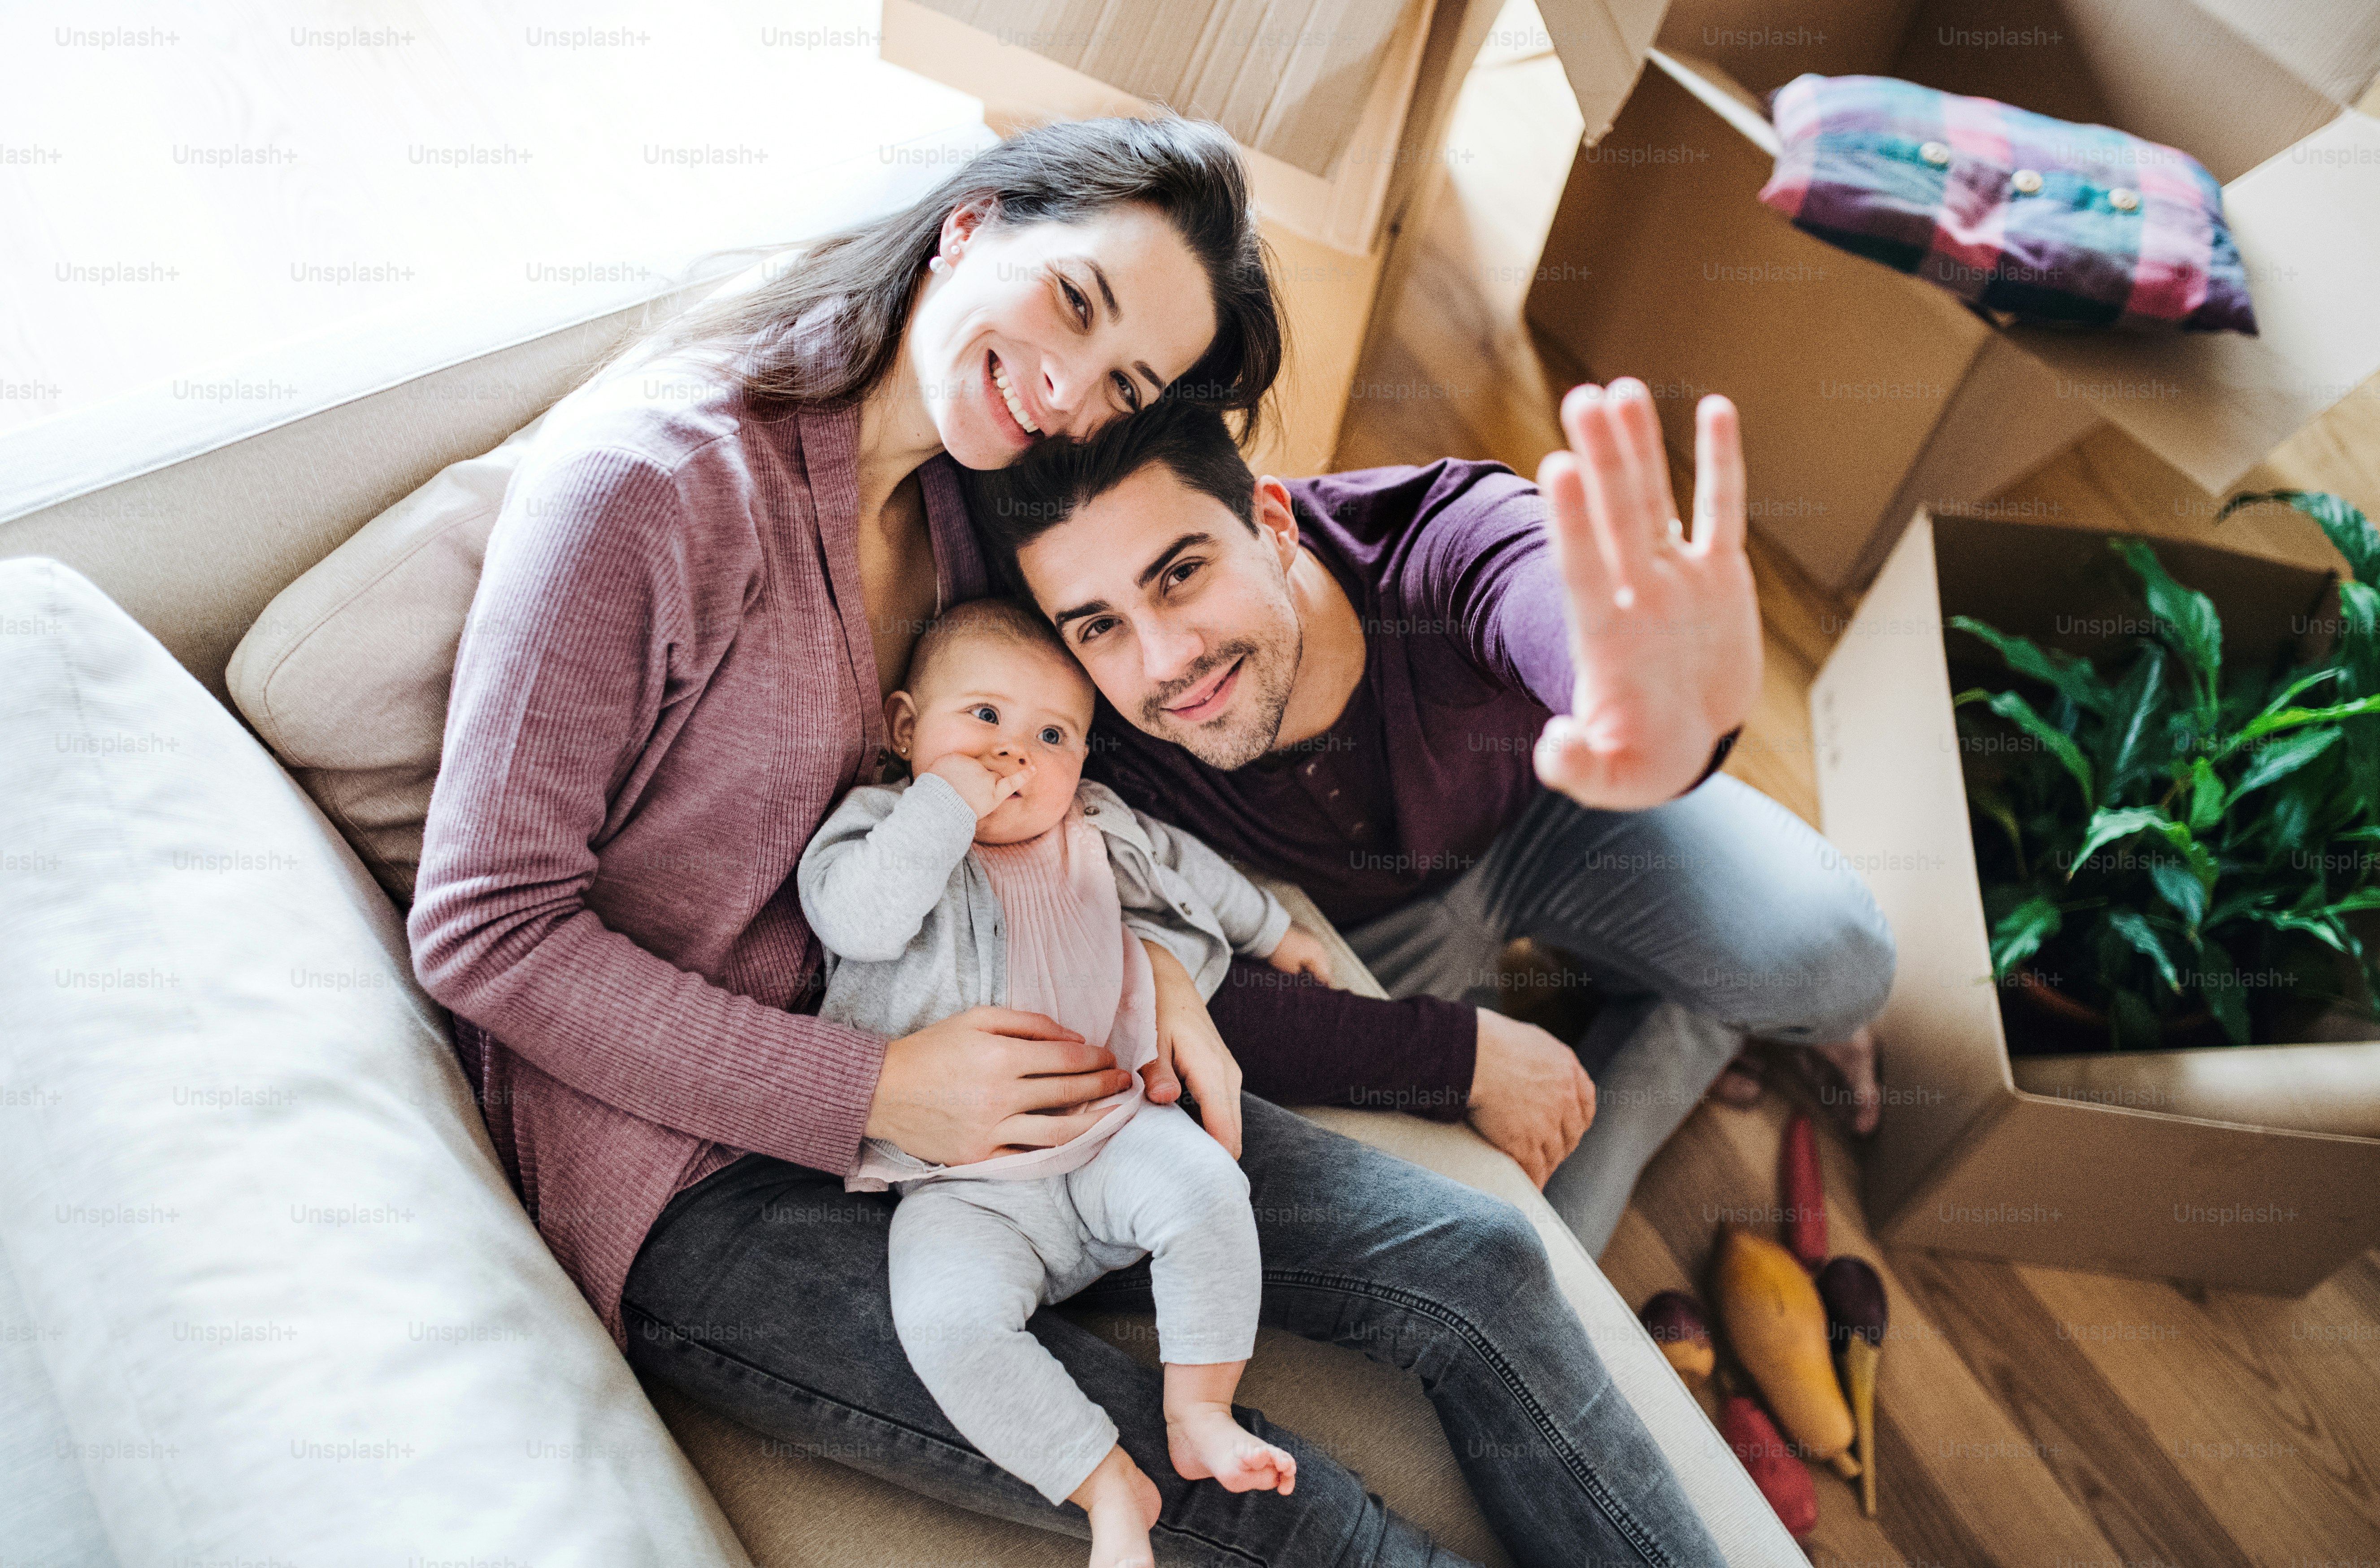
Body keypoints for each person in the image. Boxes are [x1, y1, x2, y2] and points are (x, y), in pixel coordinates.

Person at [409, 115, 1724, 1567]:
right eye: (1076, 301)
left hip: (1008, 1036)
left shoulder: (982, 514)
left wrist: (1150, 958)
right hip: (700, 1178)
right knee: (1273, 1511)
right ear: (972, 221)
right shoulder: (653, 489)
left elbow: (1106, 773)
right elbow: (483, 931)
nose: (1065, 390)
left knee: (1474, 1259)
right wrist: (875, 1086)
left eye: (1125, 386)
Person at [969, 383, 1898, 1258]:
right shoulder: (1082, 736)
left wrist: (1648, 706)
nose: (1167, 660)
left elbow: (1538, 589)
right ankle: (1691, 1008)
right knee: (1530, 1254)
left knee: (1842, 961)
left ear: (1273, 524)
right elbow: (1184, 1000)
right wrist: (1462, 1060)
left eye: (1180, 574)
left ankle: (1687, 998)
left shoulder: (1438, 538)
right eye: (1099, 626)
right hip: (1352, 939)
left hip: (1553, 805)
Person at [803, 598, 1338, 1568]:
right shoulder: (879, 828)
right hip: (957, 1185)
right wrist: (941, 806)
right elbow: (858, 922)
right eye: (984, 717)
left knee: (1211, 1191)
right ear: (905, 728)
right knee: (943, 1324)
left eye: (1052, 735)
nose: (1014, 753)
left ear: (1083, 759)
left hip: (1112, 1131)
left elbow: (1190, 871)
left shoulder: (1093, 825)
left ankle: (1198, 1412)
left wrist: (1273, 928)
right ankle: (1105, 1485)